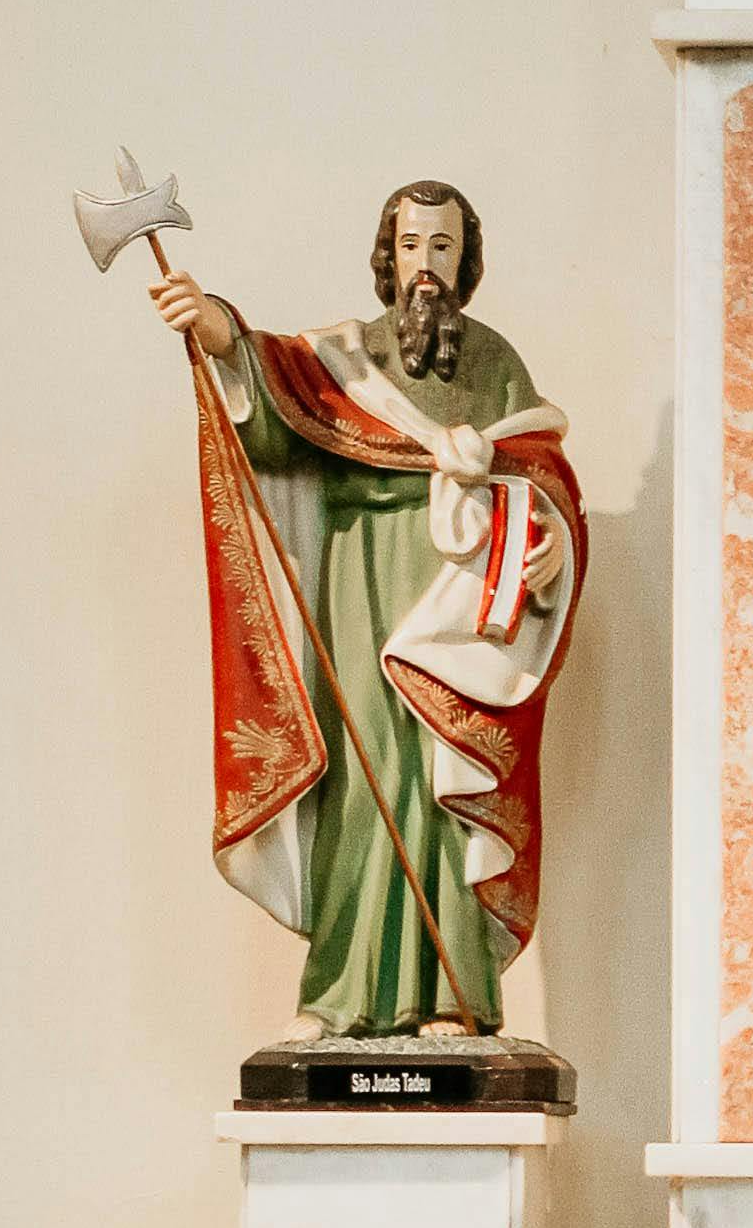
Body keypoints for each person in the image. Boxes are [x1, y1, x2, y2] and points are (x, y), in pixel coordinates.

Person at [153, 181, 584, 1037]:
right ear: (390, 256)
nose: (428, 266)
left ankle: (455, 993)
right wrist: (216, 332)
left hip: (453, 595)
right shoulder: (342, 361)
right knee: (360, 773)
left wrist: (551, 544)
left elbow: (537, 470)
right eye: (415, 246)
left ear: (468, 262)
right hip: (358, 577)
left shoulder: (495, 363)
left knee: (437, 776)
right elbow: (274, 416)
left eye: (445, 248)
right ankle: (341, 994)